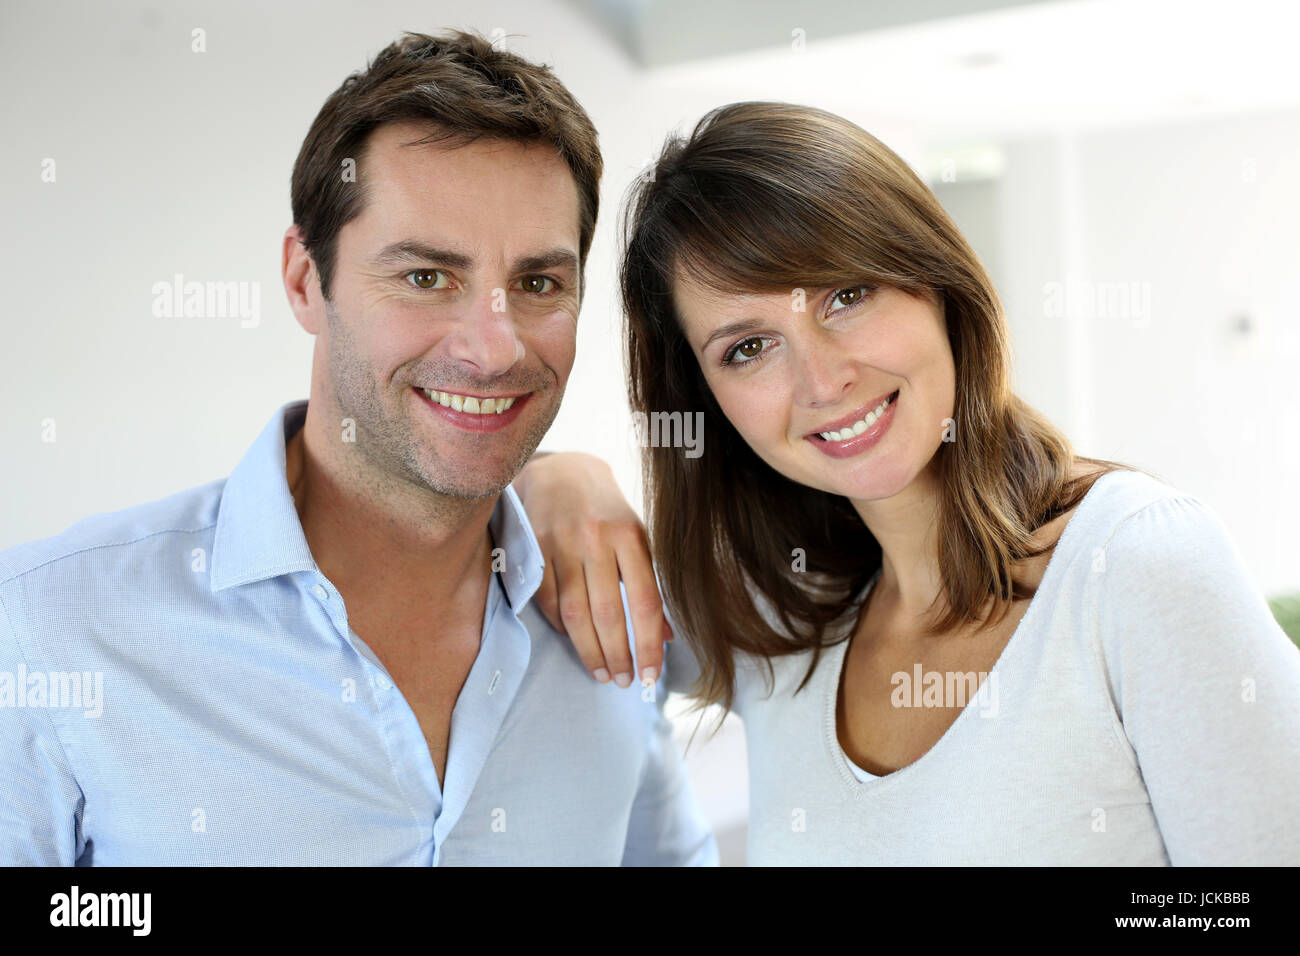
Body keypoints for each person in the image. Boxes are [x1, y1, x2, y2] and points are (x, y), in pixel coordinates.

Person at [514, 101, 1300, 864]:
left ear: (936, 284)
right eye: (749, 348)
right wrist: (559, 474)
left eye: (846, 296)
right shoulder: (774, 621)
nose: (822, 380)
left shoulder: (1136, 564)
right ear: (707, 403)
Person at [0, 30, 717, 867]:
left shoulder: (606, 623)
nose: (493, 349)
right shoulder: (50, 628)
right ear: (307, 280)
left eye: (537, 284)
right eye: (425, 277)